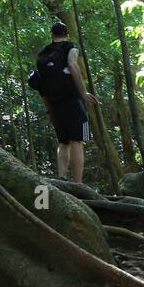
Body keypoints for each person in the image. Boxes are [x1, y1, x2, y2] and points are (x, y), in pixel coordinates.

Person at [32, 21, 97, 184]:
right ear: (67, 35)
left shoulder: (43, 54)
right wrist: (83, 93)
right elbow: (72, 65)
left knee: (63, 141)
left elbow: (41, 85)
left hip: (54, 104)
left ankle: (61, 178)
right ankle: (78, 183)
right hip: (72, 100)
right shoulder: (70, 46)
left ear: (52, 35)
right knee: (77, 140)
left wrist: (49, 111)